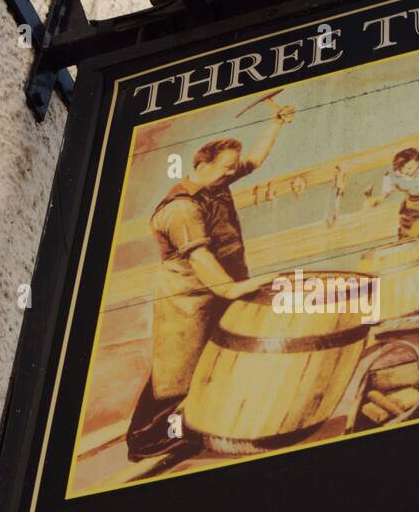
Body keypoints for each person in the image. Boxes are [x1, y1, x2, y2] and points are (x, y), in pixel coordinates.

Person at [126, 104, 295, 464]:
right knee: (176, 369)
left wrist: (275, 124)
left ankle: (201, 422)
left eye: (232, 169)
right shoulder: (181, 210)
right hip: (189, 298)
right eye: (226, 168)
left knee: (217, 354)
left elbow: (252, 161)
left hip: (217, 288)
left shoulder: (214, 183)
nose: (233, 173)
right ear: (202, 165)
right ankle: (143, 440)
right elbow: (200, 256)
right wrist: (232, 289)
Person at [325, 163, 347, 227]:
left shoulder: (340, 176)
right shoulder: (336, 177)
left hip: (337, 191)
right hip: (337, 192)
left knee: (336, 203)